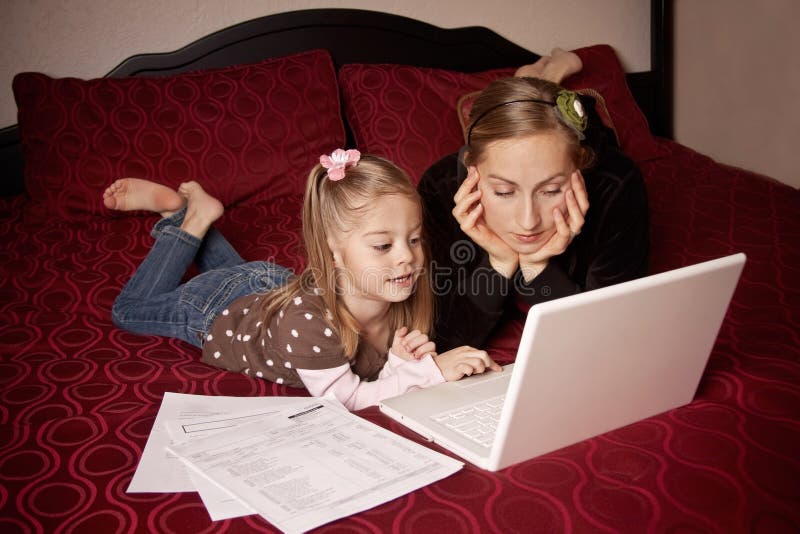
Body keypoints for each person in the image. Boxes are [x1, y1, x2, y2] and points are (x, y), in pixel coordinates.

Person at [105, 150, 501, 410]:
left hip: (271, 284)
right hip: (217, 310)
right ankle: (184, 220)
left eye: (414, 240)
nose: (407, 257)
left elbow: (382, 377)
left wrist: (399, 362)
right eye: (383, 245)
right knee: (129, 310)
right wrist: (429, 372)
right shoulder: (308, 322)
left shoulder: (401, 291)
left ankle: (200, 214)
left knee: (243, 276)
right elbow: (347, 400)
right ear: (332, 249)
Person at [418, 52, 649, 351]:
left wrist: (537, 267)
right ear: (471, 170)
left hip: (587, 152)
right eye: (503, 192)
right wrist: (498, 262)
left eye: (551, 190)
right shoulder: (441, 187)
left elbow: (605, 338)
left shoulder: (616, 184)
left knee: (582, 132)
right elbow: (444, 340)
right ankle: (536, 83)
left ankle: (541, 85)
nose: (529, 221)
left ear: (577, 173)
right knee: (542, 127)